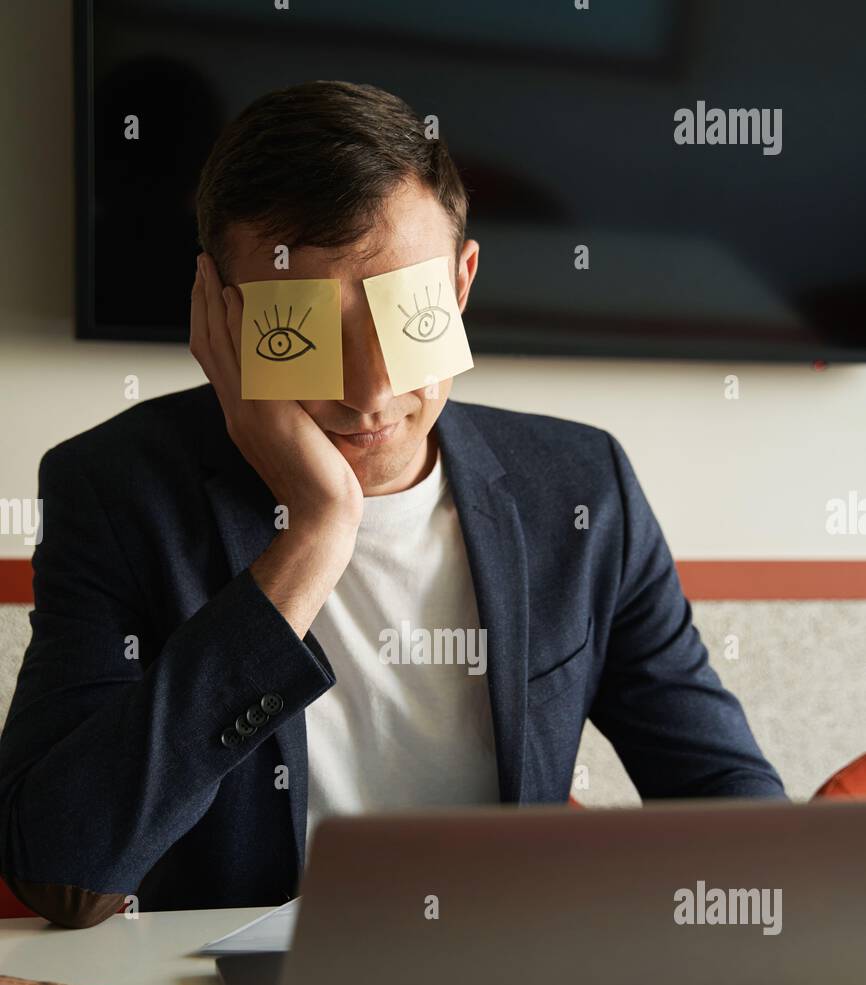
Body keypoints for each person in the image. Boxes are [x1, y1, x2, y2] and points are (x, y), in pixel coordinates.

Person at [0, 81, 785, 928]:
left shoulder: (581, 488)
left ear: (462, 285)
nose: (371, 395)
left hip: (507, 984)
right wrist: (314, 535)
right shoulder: (116, 492)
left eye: (407, 319)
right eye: (301, 333)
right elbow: (63, 874)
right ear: (218, 319)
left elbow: (732, 804)